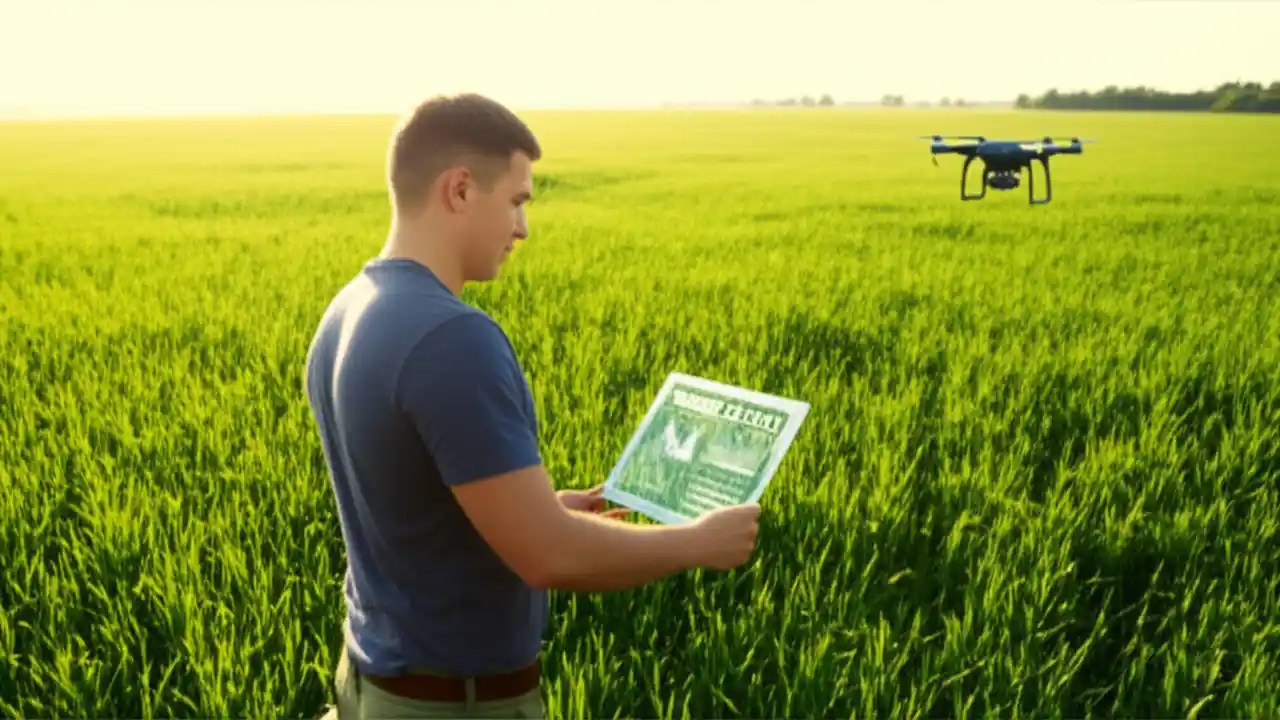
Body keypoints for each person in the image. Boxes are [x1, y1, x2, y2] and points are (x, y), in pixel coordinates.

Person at [305, 93, 762, 720]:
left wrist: (539, 507)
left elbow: (408, 509)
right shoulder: (451, 337)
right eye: (517, 201)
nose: (523, 228)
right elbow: (548, 555)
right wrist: (697, 542)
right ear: (461, 189)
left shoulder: (351, 308)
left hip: (367, 687)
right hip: (452, 707)